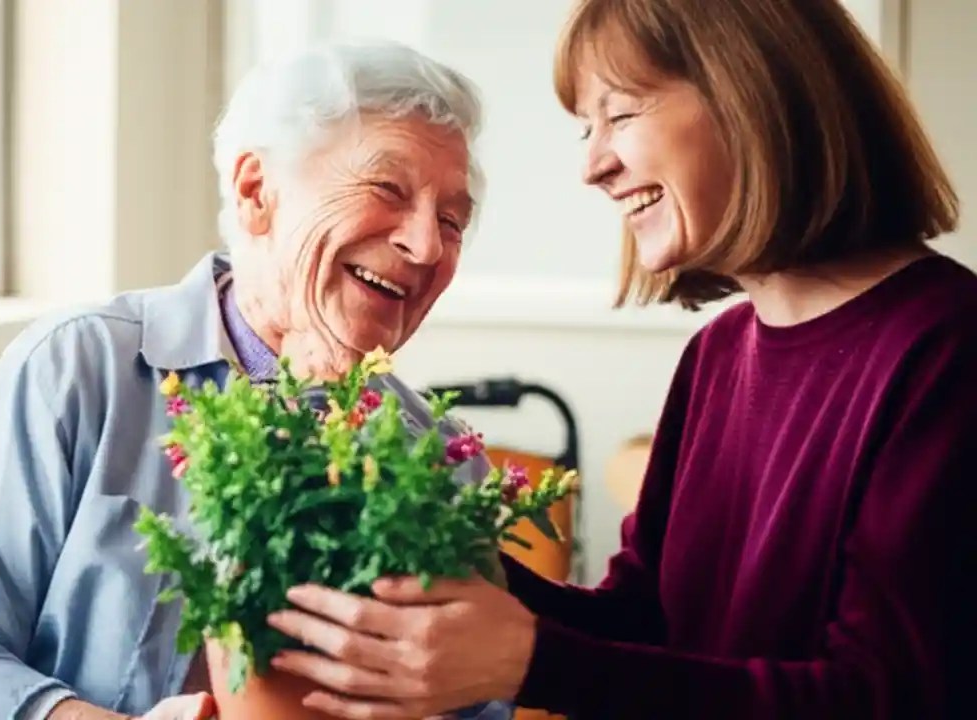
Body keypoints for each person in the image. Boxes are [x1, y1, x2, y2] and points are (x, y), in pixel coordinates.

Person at [264, 1, 977, 718]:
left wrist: (531, 662)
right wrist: (453, 569)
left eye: (622, 115)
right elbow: (645, 622)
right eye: (586, 128)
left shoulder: (946, 347)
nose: (593, 166)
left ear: (750, 94)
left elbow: (885, 697)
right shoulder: (719, 355)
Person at [0, 39, 511, 720]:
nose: (427, 245)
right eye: (387, 189)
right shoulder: (78, 369)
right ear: (257, 192)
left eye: (451, 220)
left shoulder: (440, 464)